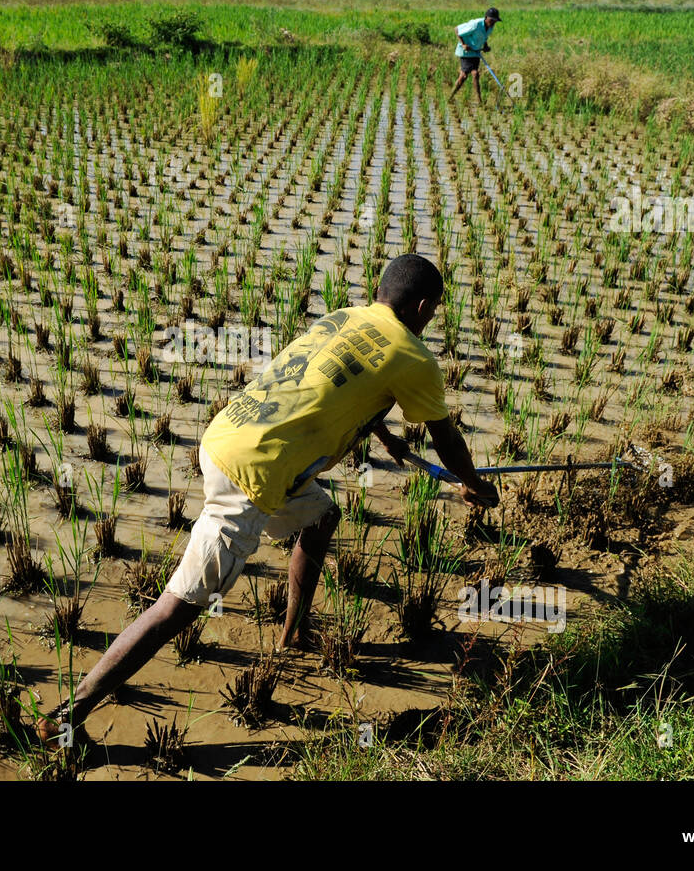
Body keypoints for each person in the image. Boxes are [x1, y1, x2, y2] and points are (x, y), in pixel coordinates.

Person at [35, 253, 499, 745]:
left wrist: (387, 440)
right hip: (252, 472)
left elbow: (339, 385)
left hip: (224, 437)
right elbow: (447, 440)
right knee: (180, 606)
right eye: (434, 312)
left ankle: (294, 632)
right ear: (424, 307)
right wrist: (470, 482)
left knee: (321, 515)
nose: (431, 320)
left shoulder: (343, 319)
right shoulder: (414, 355)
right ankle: (67, 714)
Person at [449, 6, 501, 103]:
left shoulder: (490, 27)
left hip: (476, 52)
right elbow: (457, 30)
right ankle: (450, 97)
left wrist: (485, 46)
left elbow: (484, 37)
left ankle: (479, 101)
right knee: (463, 76)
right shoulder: (475, 24)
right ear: (486, 17)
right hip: (466, 52)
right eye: (492, 20)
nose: (493, 22)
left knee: (475, 74)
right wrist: (464, 44)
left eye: (495, 21)